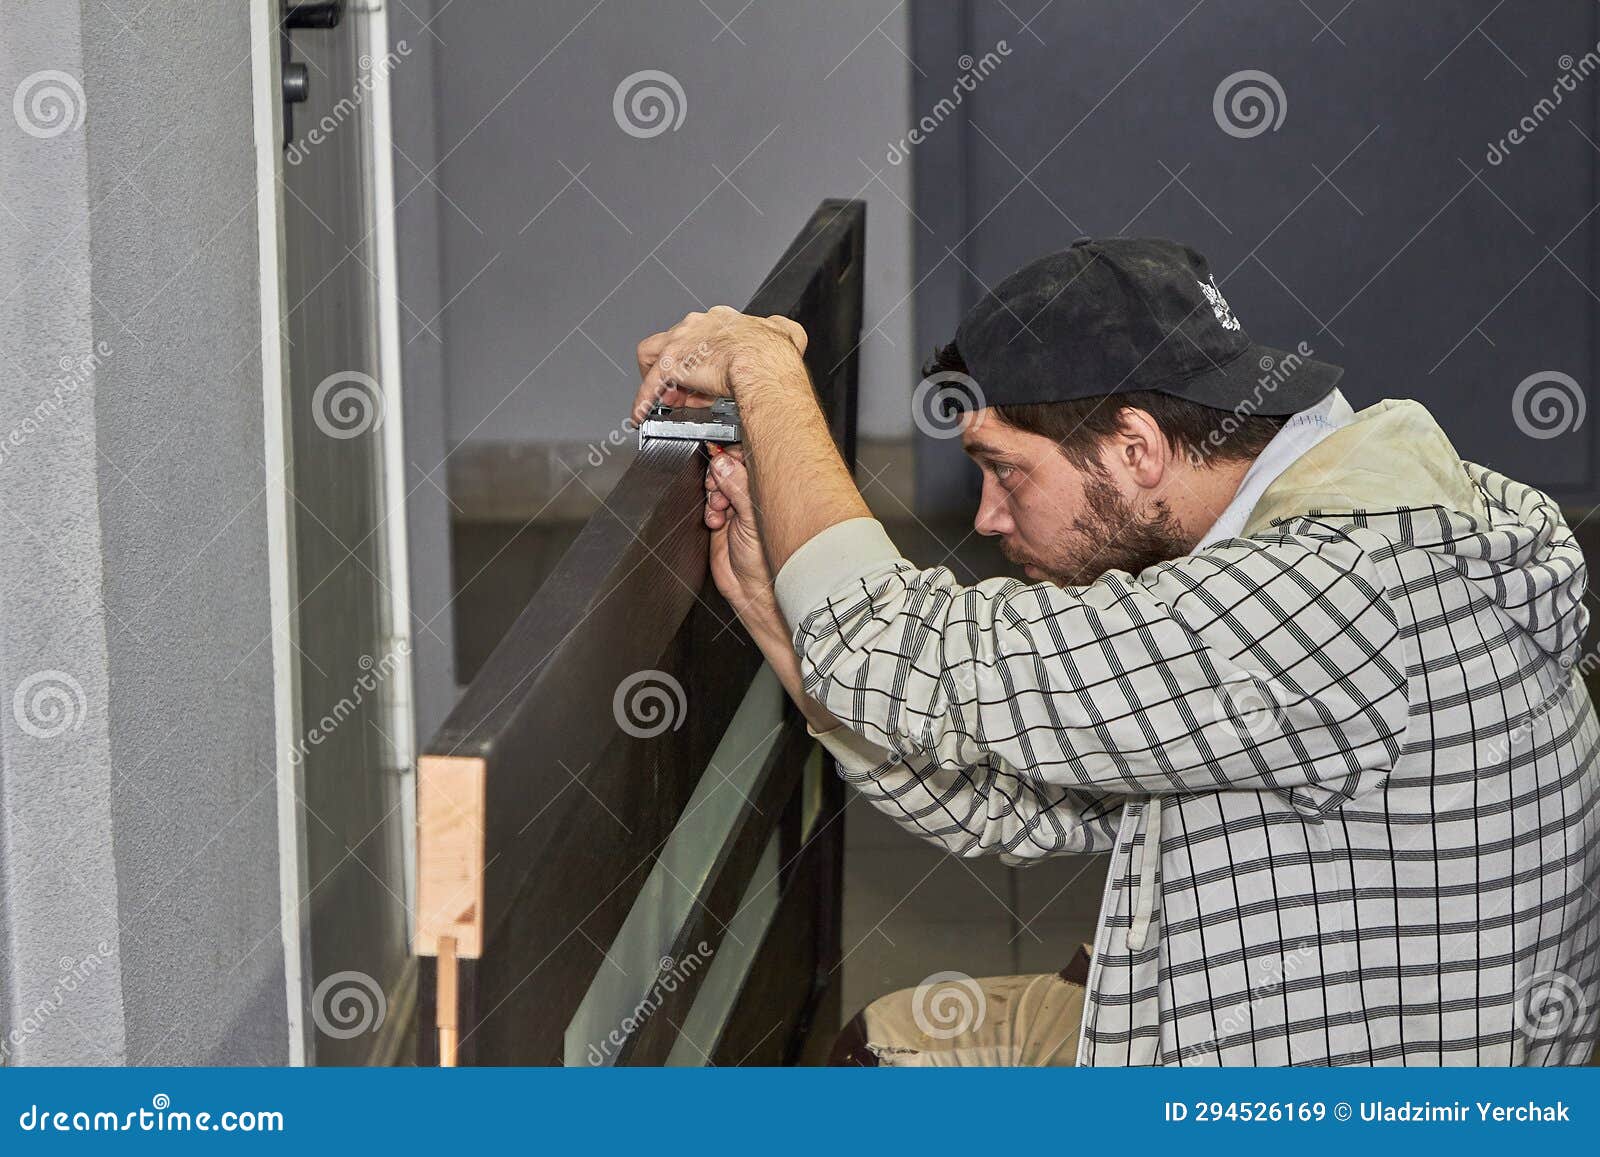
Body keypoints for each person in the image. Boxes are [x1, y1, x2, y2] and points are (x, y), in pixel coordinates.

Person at [631, 237, 1600, 1066]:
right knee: (894, 1038)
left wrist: (763, 372)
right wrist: (769, 602)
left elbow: (894, 644)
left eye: (1004, 468)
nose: (985, 515)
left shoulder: (1322, 604)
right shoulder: (1368, 523)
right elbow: (1007, 800)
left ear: (1135, 447)